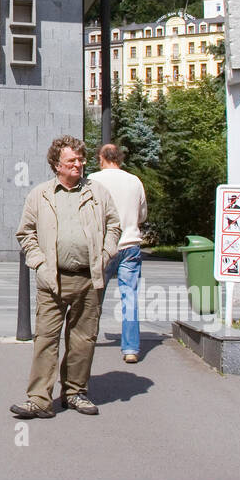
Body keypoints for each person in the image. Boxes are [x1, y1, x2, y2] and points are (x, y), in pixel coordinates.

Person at [11, 135, 121, 419]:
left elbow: (114, 226)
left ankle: (74, 393)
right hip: (52, 280)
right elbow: (26, 233)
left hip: (89, 278)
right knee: (46, 338)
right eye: (72, 160)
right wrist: (40, 264)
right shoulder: (40, 194)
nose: (78, 164)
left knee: (83, 339)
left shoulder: (98, 192)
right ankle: (39, 400)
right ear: (56, 164)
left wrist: (106, 255)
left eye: (81, 159)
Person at [89, 143, 148, 364]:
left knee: (94, 296)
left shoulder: (94, 180)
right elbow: (142, 215)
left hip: (103, 246)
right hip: (130, 245)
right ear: (120, 159)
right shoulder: (134, 181)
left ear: (102, 158)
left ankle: (89, 337)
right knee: (129, 297)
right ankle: (131, 348)